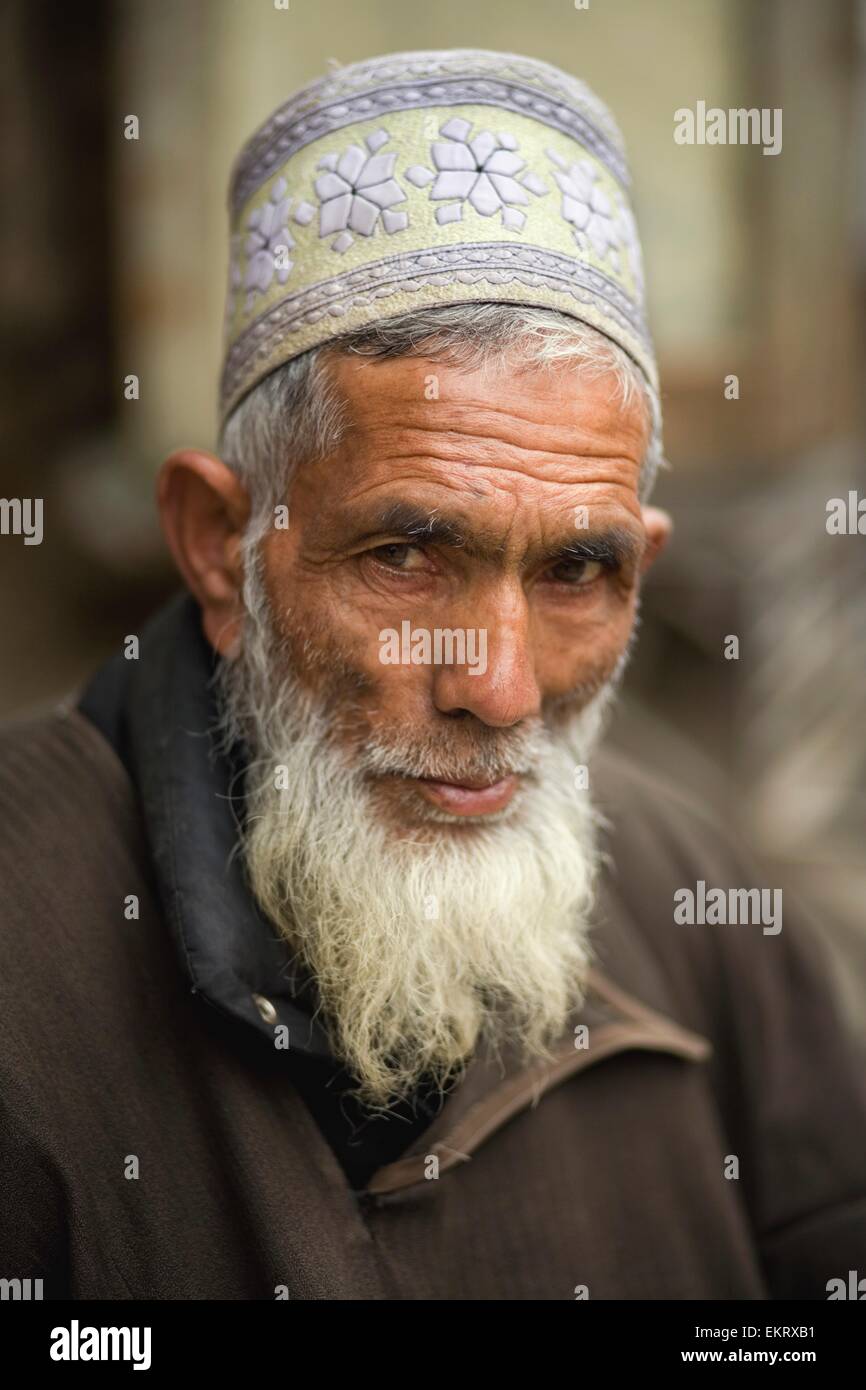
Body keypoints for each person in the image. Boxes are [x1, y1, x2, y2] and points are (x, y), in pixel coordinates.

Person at [1, 48, 863, 1300]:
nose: (500, 689)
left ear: (642, 564)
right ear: (217, 546)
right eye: (405, 555)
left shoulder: (706, 912)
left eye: (576, 569)